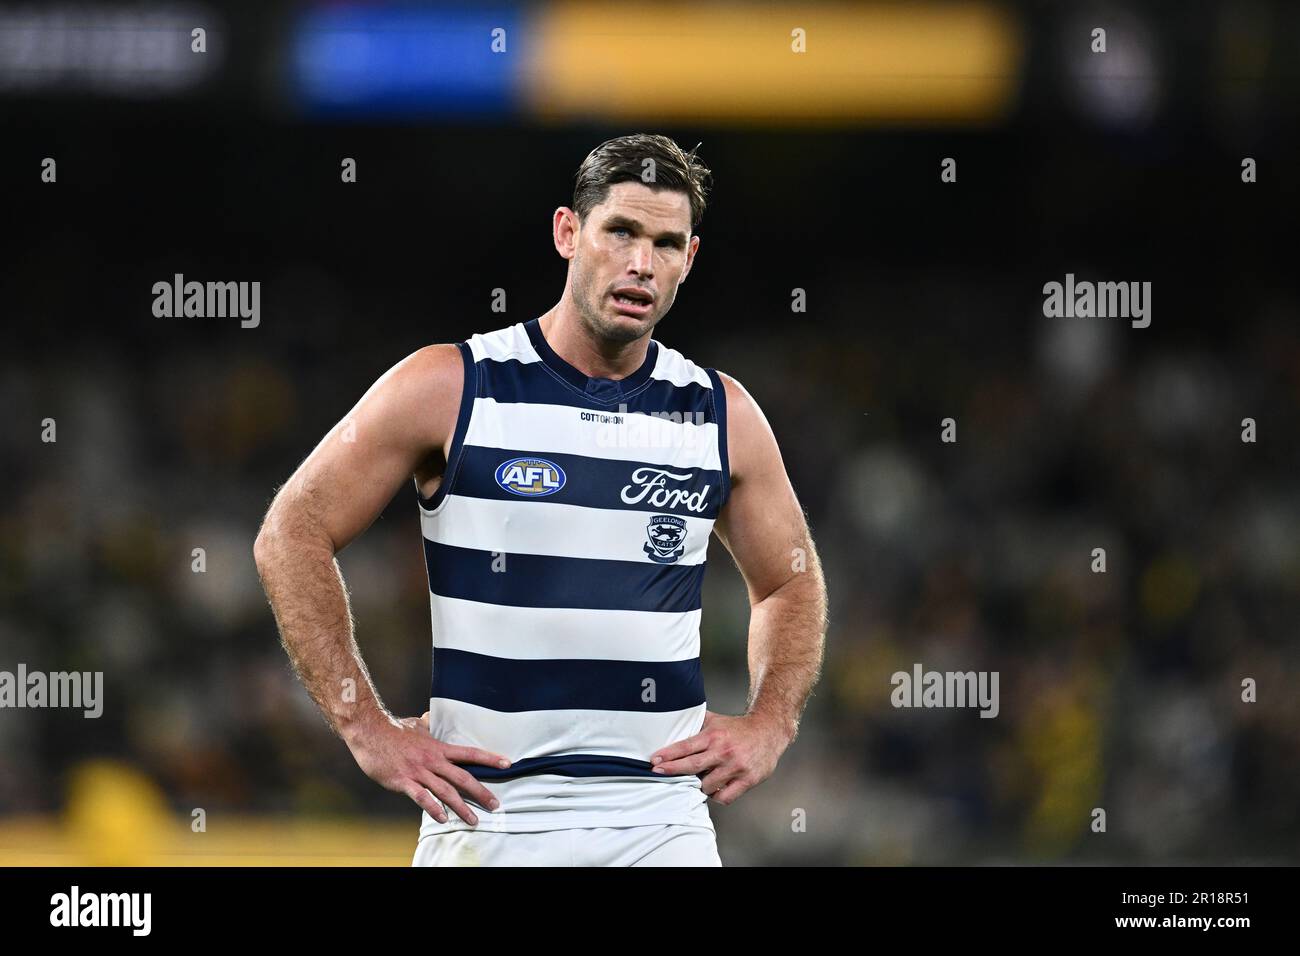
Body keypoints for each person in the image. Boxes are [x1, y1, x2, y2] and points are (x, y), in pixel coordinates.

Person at [254, 133, 827, 866]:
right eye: (620, 231)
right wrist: (364, 727)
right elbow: (291, 530)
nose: (641, 262)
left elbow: (789, 581)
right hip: (489, 820)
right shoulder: (452, 386)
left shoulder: (721, 414)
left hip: (659, 825)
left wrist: (771, 722)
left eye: (666, 242)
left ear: (691, 259)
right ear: (568, 232)